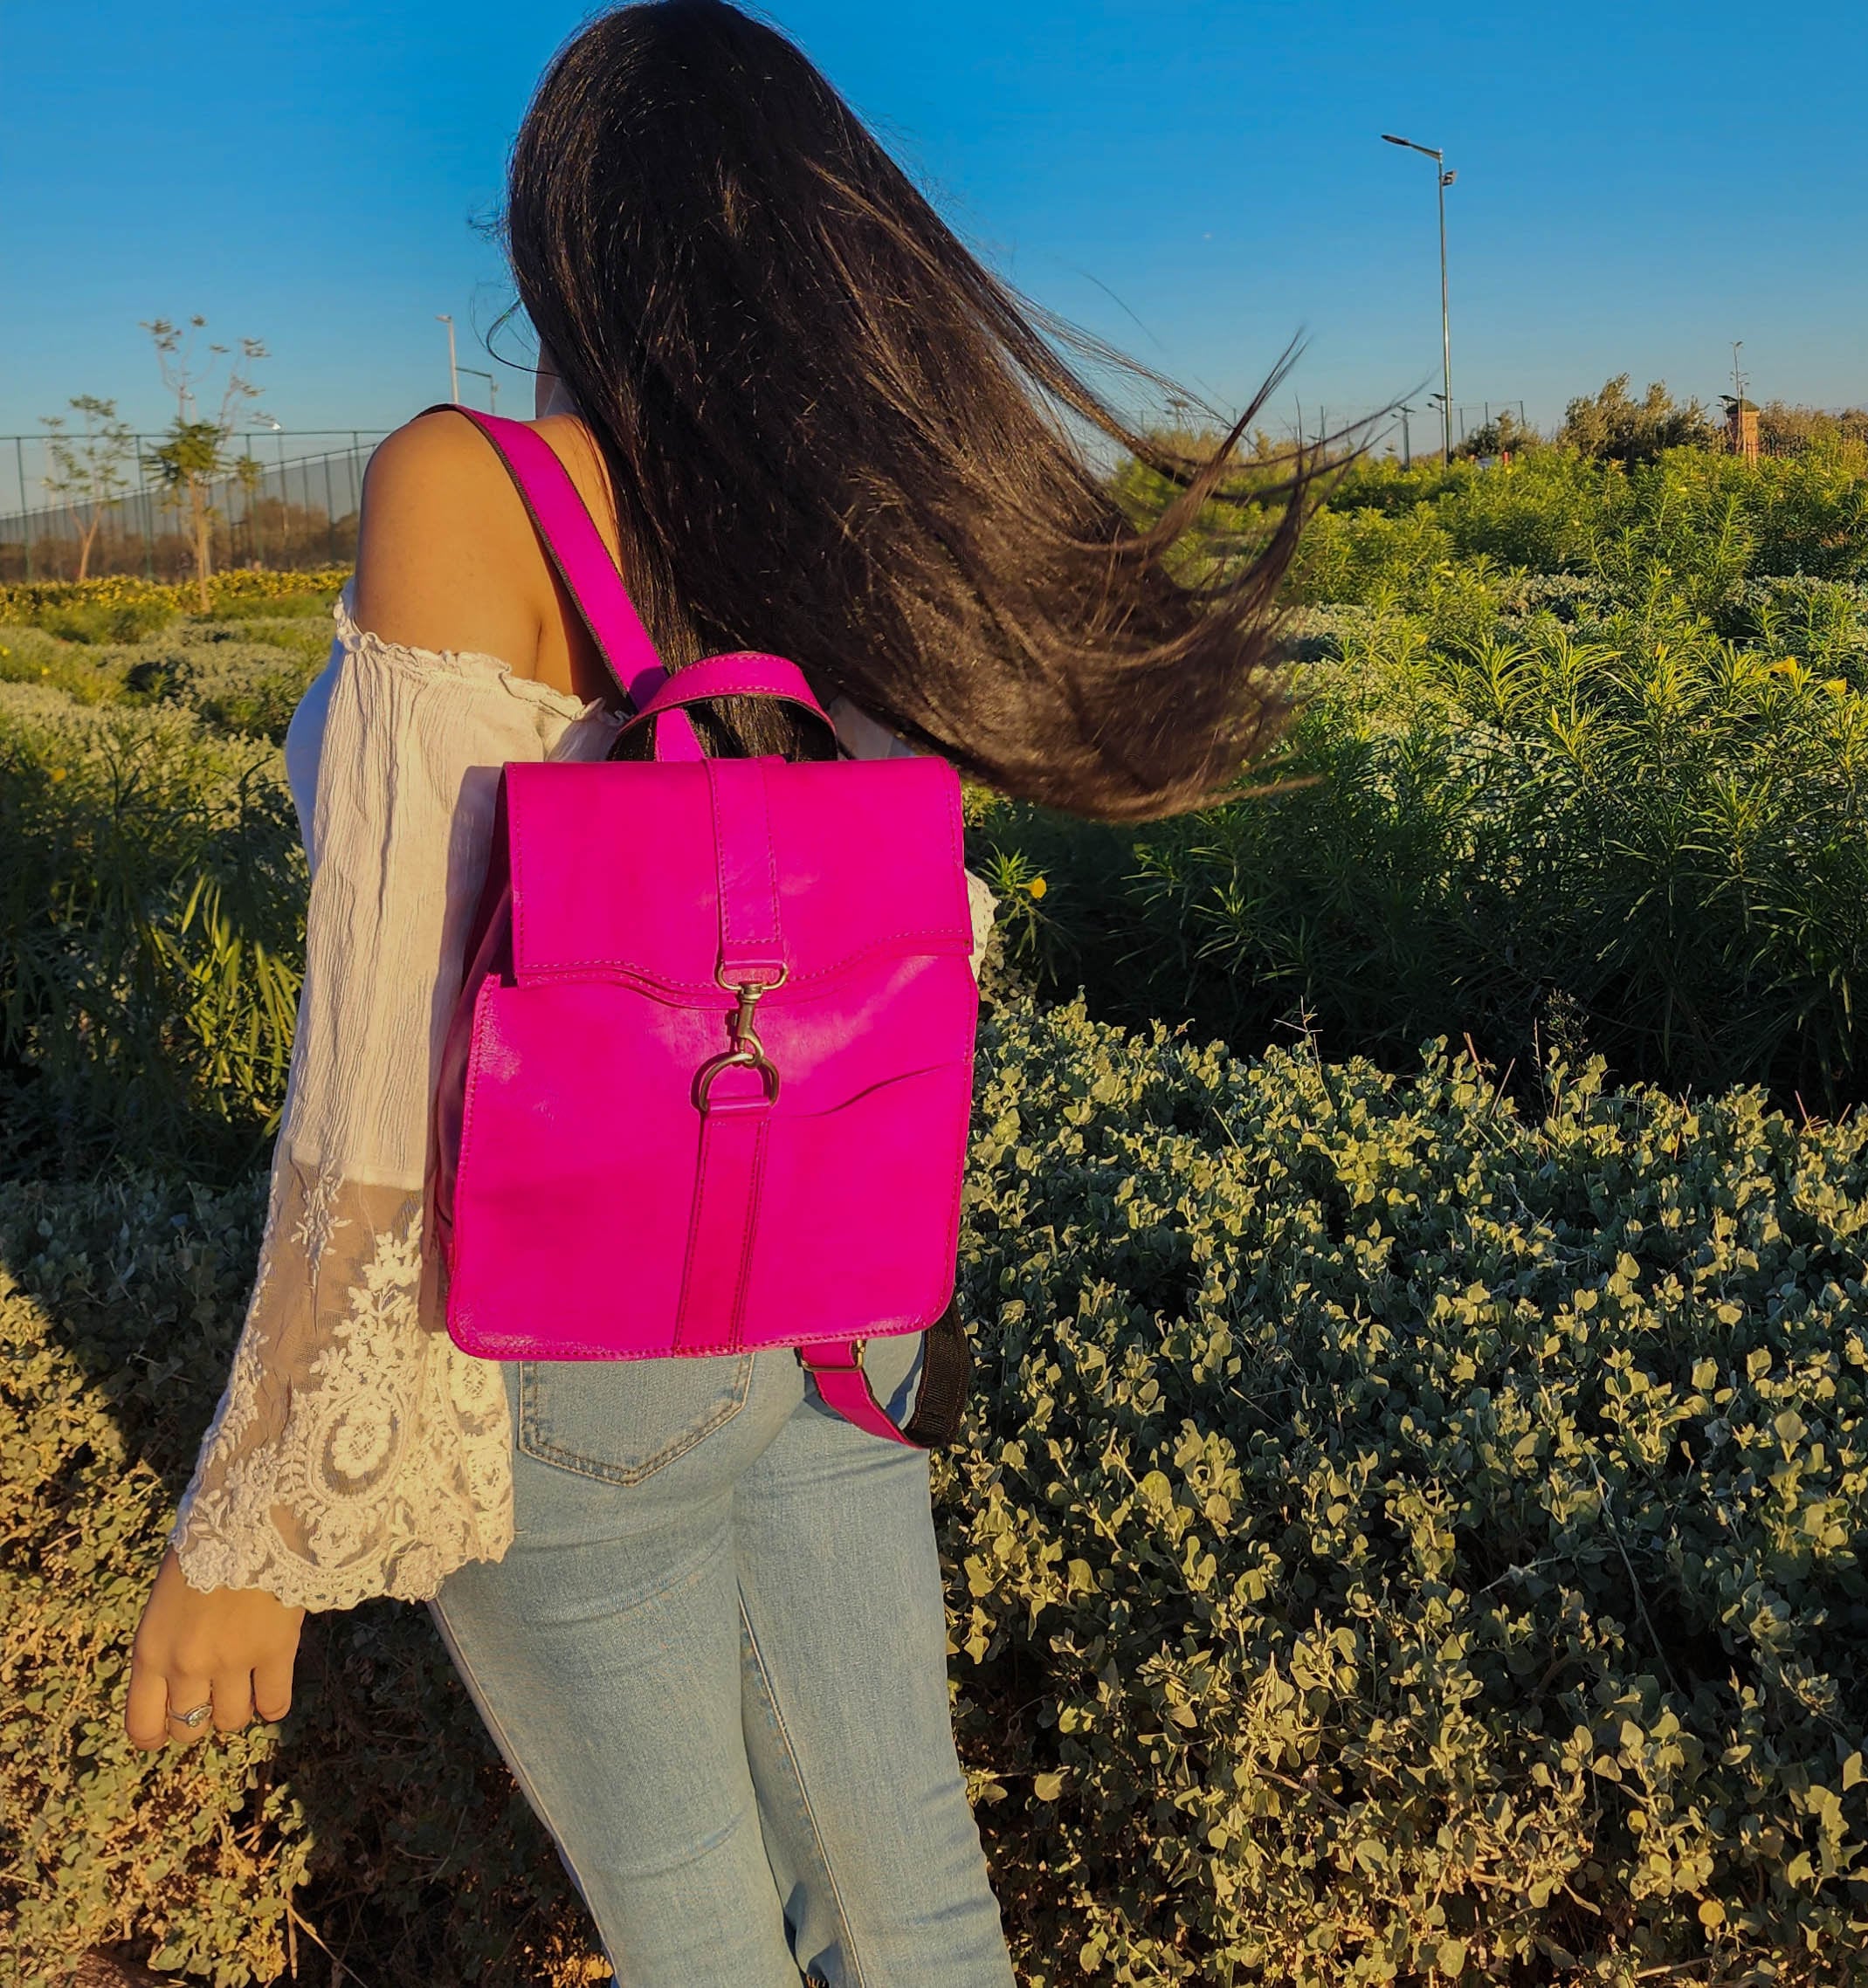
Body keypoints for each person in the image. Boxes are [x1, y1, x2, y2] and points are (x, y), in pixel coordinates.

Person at [120, 4, 1317, 1981]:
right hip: (841, 1317)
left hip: (581, 1358)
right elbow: (927, 943)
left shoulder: (473, 484)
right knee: (910, 1893)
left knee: (691, 1922)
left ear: (568, 236)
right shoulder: (837, 524)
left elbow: (380, 1057)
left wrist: (246, 1527)